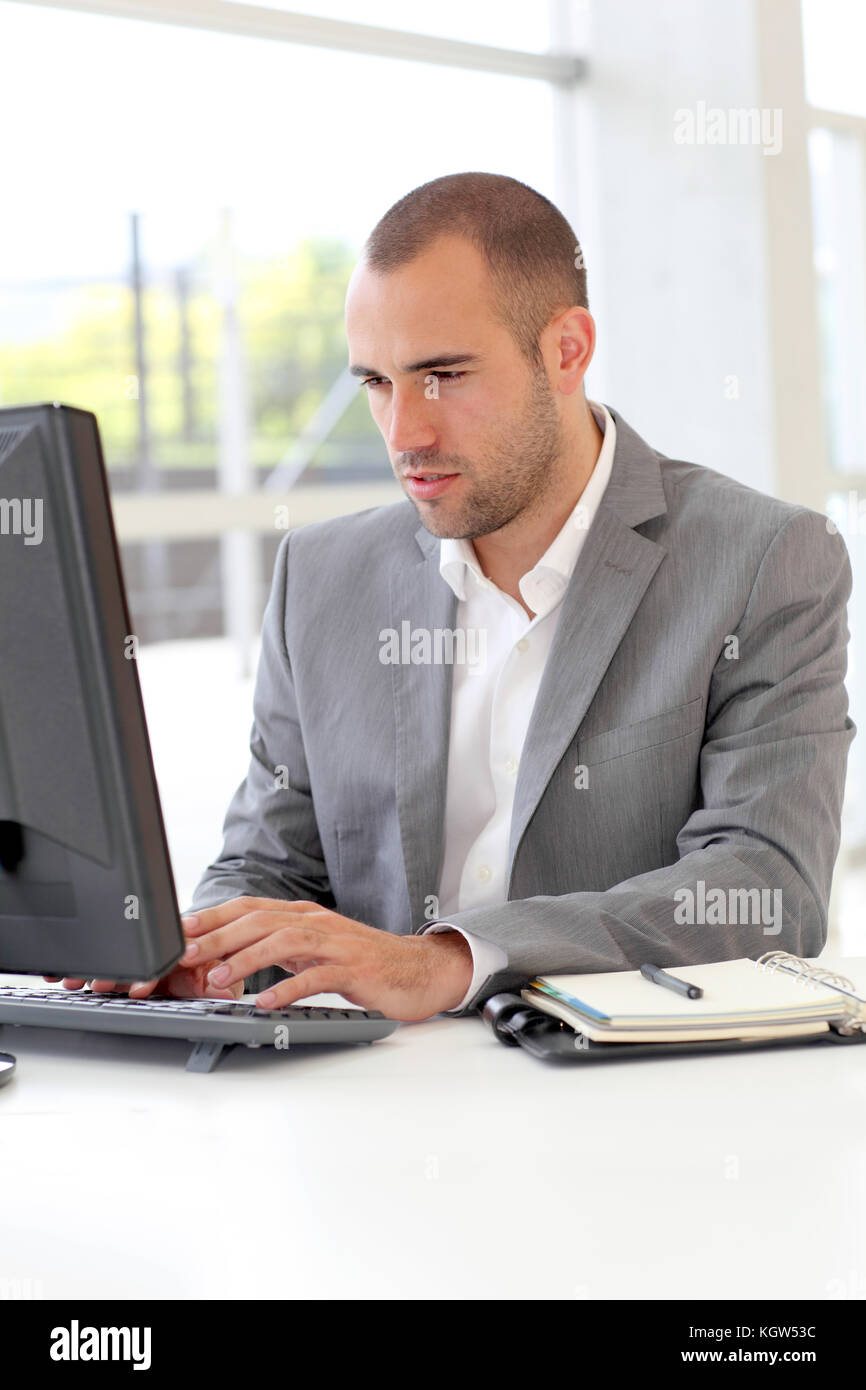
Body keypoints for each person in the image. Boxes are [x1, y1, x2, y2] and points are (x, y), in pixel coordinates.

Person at [61, 172, 855, 1021]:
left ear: (567, 350)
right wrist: (207, 954)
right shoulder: (320, 578)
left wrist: (448, 962)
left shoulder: (764, 559)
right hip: (369, 1101)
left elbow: (766, 885)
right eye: (375, 383)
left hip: (626, 1110)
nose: (405, 433)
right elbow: (269, 867)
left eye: (442, 375)